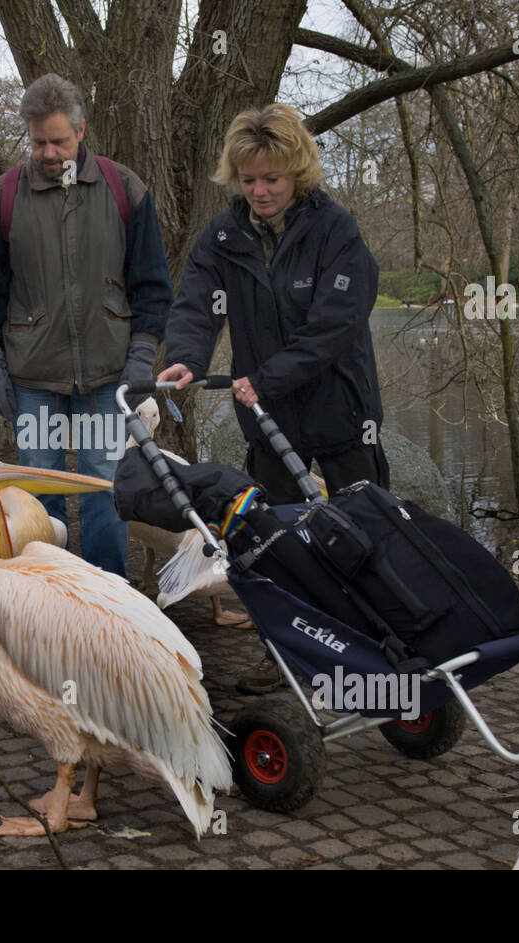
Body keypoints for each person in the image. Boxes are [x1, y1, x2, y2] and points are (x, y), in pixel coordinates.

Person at [158, 103, 388, 693]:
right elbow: (196, 301)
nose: (259, 191)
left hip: (341, 410)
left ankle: (383, 647)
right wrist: (187, 356)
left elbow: (338, 324)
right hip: (266, 415)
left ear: (298, 173)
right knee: (271, 542)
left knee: (366, 531)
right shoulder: (223, 236)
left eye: (272, 179)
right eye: (248, 179)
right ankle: (284, 655)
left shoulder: (336, 230)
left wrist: (272, 374)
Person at [0, 74, 172, 576]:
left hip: (108, 372)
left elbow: (153, 287)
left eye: (59, 140)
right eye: (38, 142)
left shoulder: (125, 190)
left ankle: (105, 594)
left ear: (81, 130)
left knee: (103, 483)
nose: (49, 153)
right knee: (40, 487)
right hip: (32, 375)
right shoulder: (1, 198)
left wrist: (140, 360)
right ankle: (46, 591)